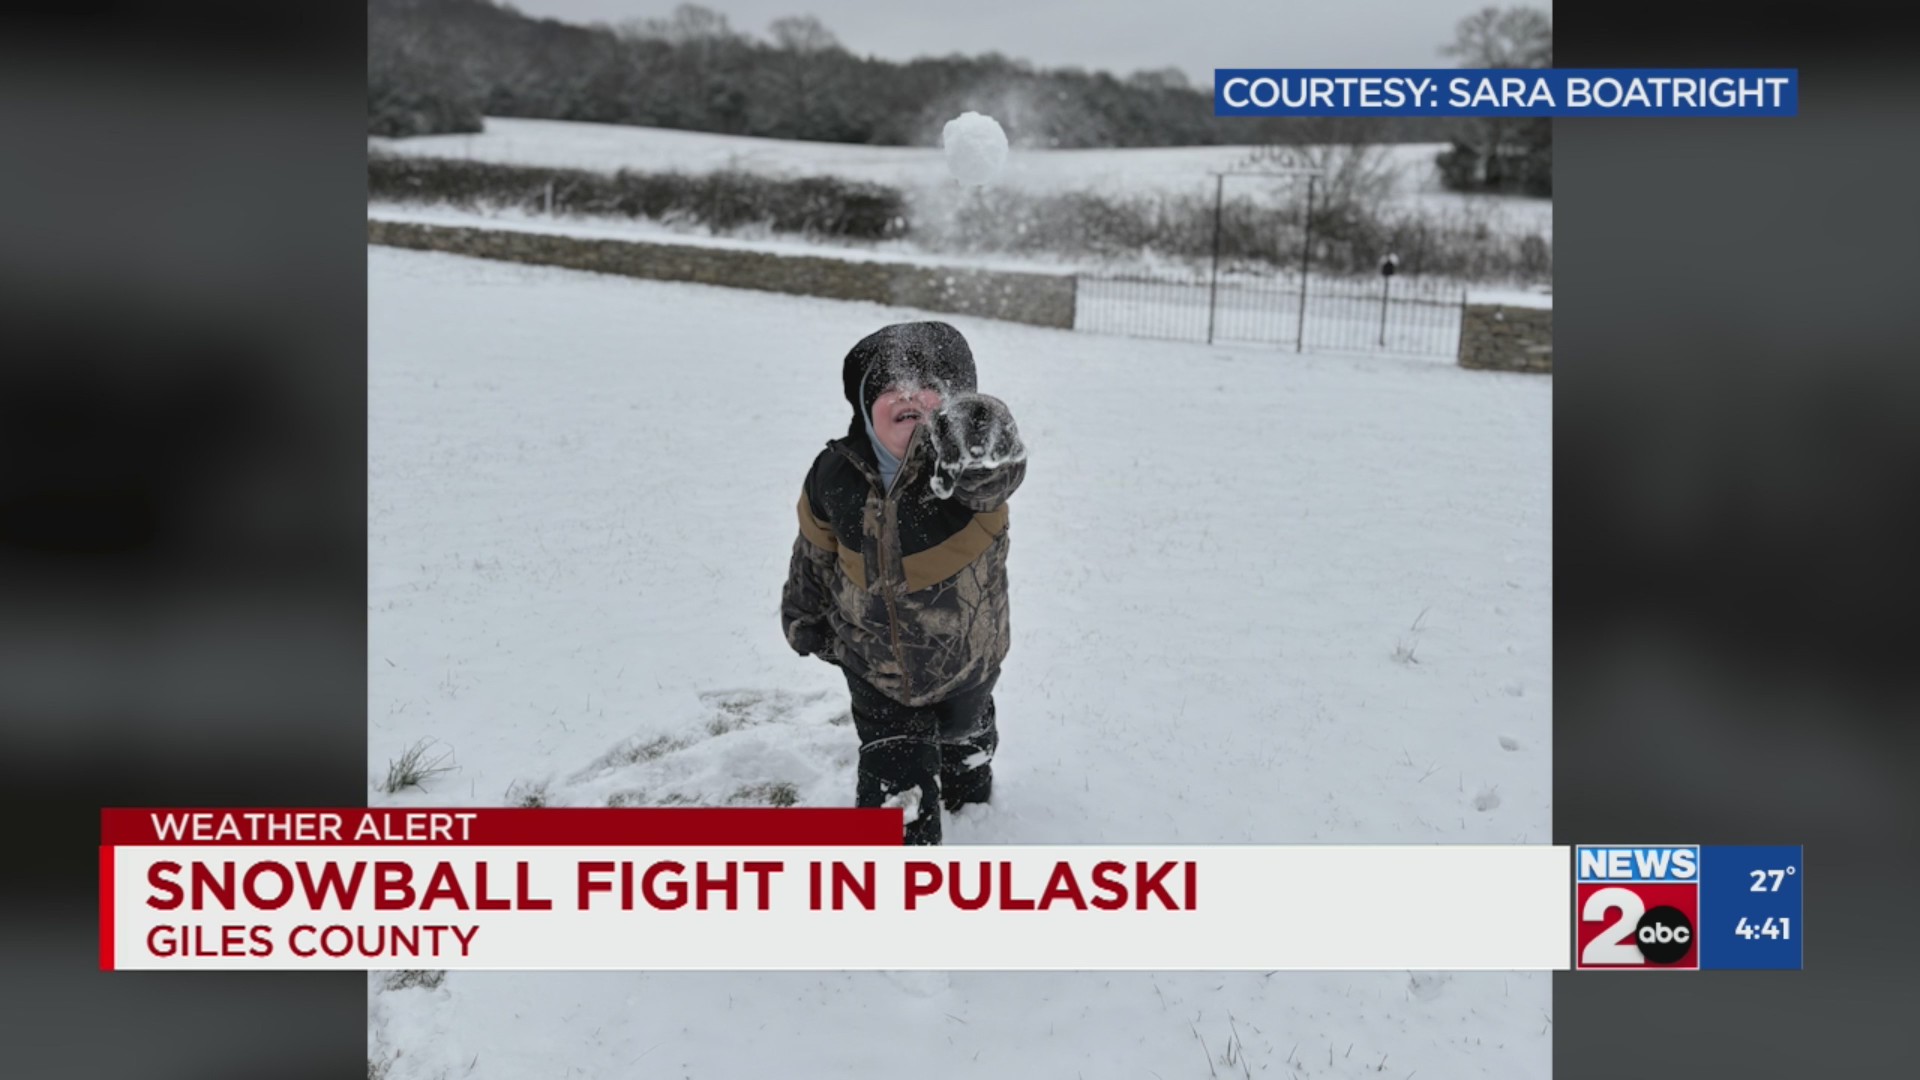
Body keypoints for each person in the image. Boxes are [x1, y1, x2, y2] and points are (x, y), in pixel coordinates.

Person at [780, 321, 1026, 845]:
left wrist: (982, 433)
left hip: (965, 661)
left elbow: (996, 473)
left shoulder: (965, 476)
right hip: (876, 669)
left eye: (929, 387)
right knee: (895, 796)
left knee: (964, 750)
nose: (910, 394)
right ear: (865, 408)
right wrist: (804, 613)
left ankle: (968, 769)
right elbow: (815, 548)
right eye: (890, 387)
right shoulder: (835, 475)